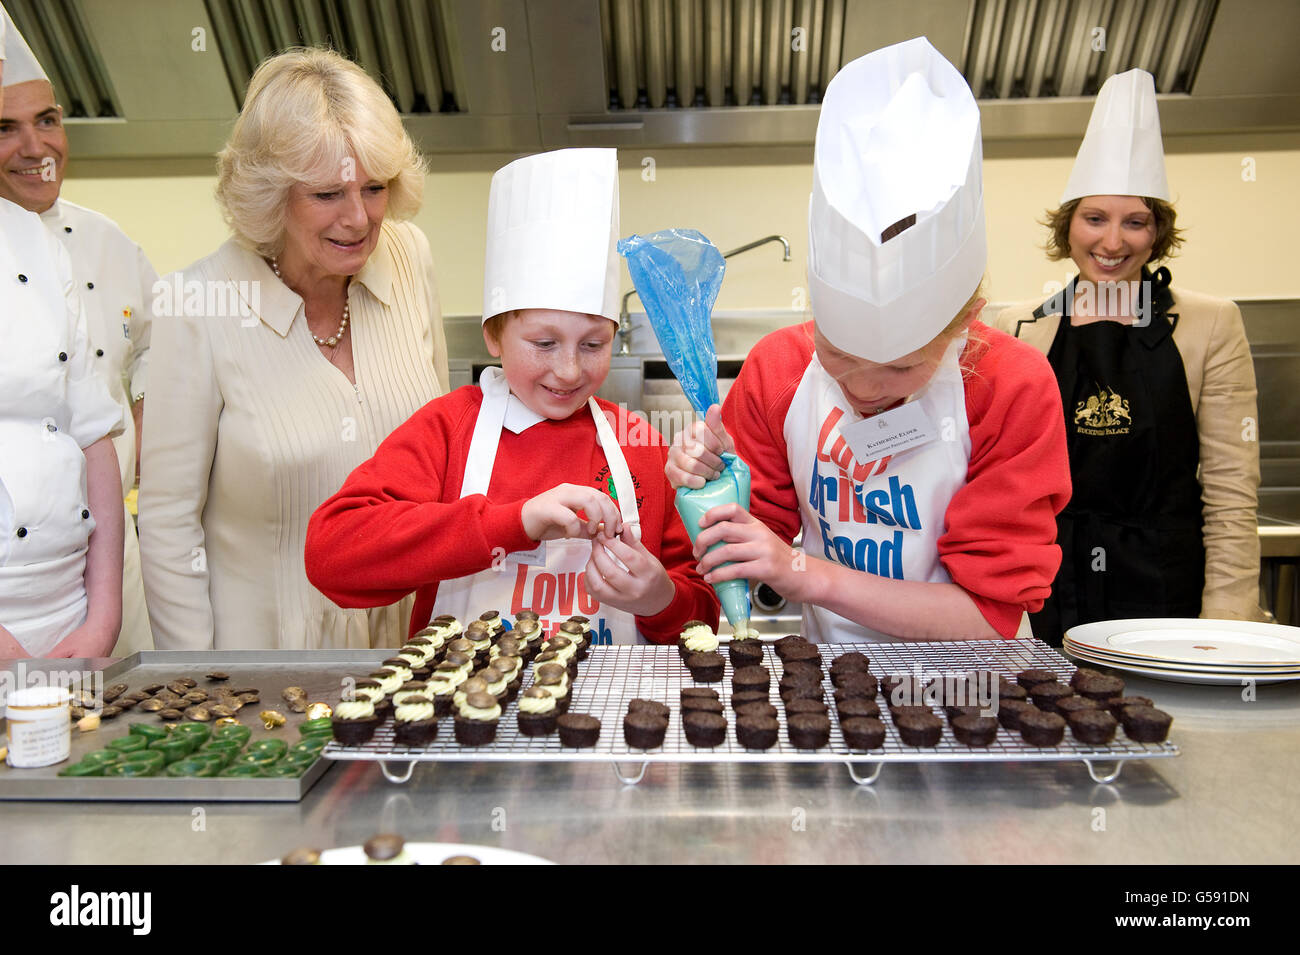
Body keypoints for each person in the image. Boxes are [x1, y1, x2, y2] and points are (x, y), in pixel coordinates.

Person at [667, 38, 1071, 643]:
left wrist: (807, 573)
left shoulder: (1011, 385)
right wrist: (712, 486)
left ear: (966, 321)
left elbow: (988, 617)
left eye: (905, 368)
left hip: (976, 696)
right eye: (839, 356)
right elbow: (754, 565)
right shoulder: (778, 369)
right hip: (828, 698)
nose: (864, 392)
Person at [306, 148, 719, 643]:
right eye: (543, 343)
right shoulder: (447, 430)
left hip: (610, 715)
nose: (568, 371)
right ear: (494, 336)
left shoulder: (641, 444)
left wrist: (660, 600)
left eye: (594, 344)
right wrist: (514, 522)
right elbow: (332, 558)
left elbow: (702, 618)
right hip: (461, 716)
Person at [138, 48, 449, 651]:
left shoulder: (411, 258)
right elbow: (168, 527)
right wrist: (201, 686)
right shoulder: (196, 303)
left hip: (412, 644)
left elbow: (443, 453)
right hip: (267, 660)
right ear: (271, 193)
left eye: (375, 187)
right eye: (328, 194)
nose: (358, 219)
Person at [994, 70, 1264, 642]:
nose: (1112, 242)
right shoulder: (1016, 327)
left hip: (1166, 591)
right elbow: (996, 486)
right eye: (1095, 218)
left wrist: (1228, 625)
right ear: (1068, 227)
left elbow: (1231, 491)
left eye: (1134, 222)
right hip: (1047, 592)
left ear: (1156, 232)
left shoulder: (1212, 323)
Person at [0, 22, 158, 656]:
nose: (36, 146)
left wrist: (144, 439)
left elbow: (156, 350)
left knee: (121, 742)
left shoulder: (106, 242)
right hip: (15, 585)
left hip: (110, 566)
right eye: (4, 127)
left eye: (48, 120)